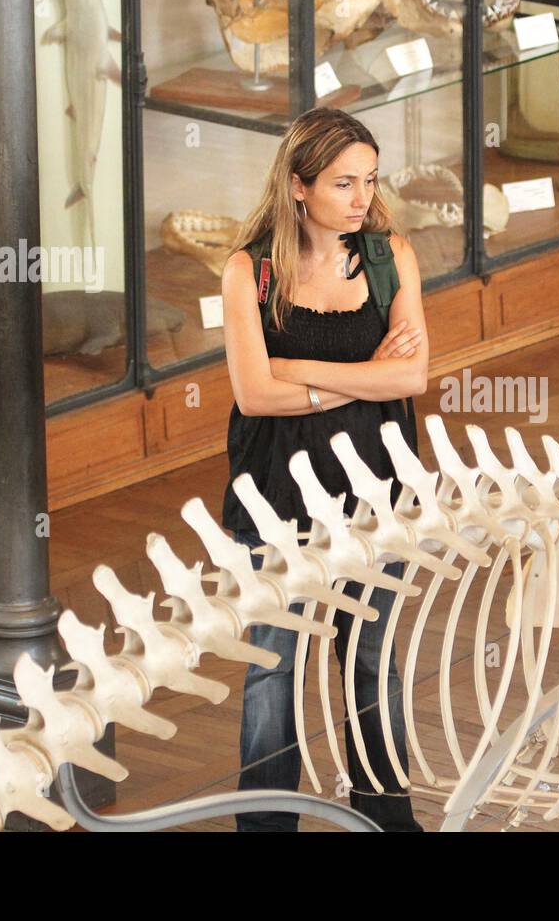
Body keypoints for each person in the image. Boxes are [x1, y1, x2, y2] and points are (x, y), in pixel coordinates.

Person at [219, 106, 428, 831]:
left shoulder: (389, 256)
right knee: (272, 669)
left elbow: (412, 378)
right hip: (275, 497)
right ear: (299, 186)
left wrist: (296, 375)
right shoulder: (248, 269)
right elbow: (252, 394)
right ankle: (266, 826)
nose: (362, 197)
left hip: (380, 490)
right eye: (344, 183)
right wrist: (358, 372)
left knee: (371, 658)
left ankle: (386, 815)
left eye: (370, 180)